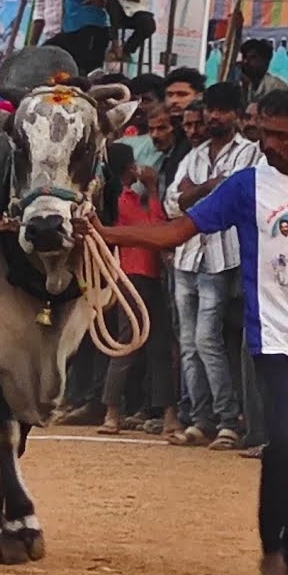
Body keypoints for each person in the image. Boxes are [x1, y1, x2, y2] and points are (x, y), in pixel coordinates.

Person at [90, 89, 288, 575]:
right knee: (286, 444)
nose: (270, 144)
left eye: (281, 135)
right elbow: (175, 233)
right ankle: (272, 552)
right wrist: (104, 233)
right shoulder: (246, 186)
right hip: (272, 338)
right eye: (264, 133)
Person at [163, 82, 264, 450]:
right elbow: (172, 204)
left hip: (222, 258)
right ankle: (201, 419)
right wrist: (209, 187)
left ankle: (227, 420)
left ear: (237, 115)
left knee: (207, 340)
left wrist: (197, 191)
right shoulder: (194, 155)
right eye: (212, 110)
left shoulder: (250, 153)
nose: (214, 117)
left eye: (223, 110)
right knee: (188, 343)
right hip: (188, 254)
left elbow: (232, 196)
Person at [98, 143, 175, 434]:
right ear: (129, 168)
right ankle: (114, 412)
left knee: (142, 344)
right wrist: (154, 190)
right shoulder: (123, 197)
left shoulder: (115, 195)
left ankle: (119, 412)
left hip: (135, 275)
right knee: (140, 343)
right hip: (137, 274)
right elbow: (156, 228)